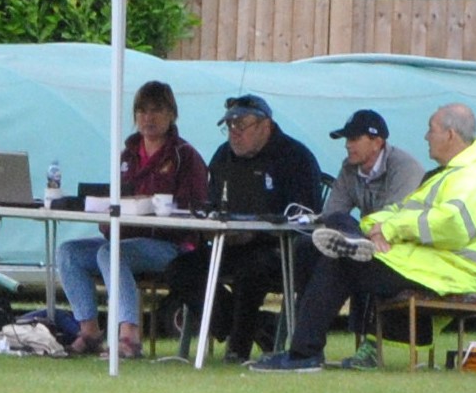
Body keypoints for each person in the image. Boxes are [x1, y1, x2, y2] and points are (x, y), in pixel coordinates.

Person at [250, 102, 476, 373]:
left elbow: (452, 224)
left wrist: (391, 230)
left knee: (341, 260)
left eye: (430, 129)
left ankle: (304, 354)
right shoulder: (449, 175)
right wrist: (371, 228)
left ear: (451, 134)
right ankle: (351, 244)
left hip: (450, 272)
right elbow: (401, 210)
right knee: (312, 247)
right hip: (423, 264)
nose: (425, 137)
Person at [165, 93, 324, 362]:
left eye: (241, 126)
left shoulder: (295, 157)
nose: (234, 134)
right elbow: (213, 203)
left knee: (251, 271)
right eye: (229, 127)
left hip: (278, 249)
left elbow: (306, 218)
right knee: (179, 269)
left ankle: (238, 350)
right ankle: (259, 326)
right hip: (228, 243)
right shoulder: (223, 157)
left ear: (266, 126)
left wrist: (260, 231)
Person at [59, 80, 208, 359]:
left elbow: (197, 209)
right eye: (141, 111)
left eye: (156, 110)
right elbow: (116, 198)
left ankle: (129, 335)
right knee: (69, 252)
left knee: (110, 252)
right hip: (126, 238)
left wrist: (153, 209)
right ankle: (89, 331)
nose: (148, 118)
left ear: (171, 114)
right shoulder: (127, 155)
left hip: (170, 245)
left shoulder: (185, 156)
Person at [313, 108, 423, 367]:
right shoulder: (350, 168)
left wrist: (359, 233)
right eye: (346, 140)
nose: (348, 146)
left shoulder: (405, 168)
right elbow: (333, 212)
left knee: (352, 257)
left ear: (377, 142)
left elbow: (397, 219)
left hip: (400, 250)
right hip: (368, 244)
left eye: (354, 139)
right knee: (308, 248)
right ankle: (304, 342)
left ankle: (368, 346)